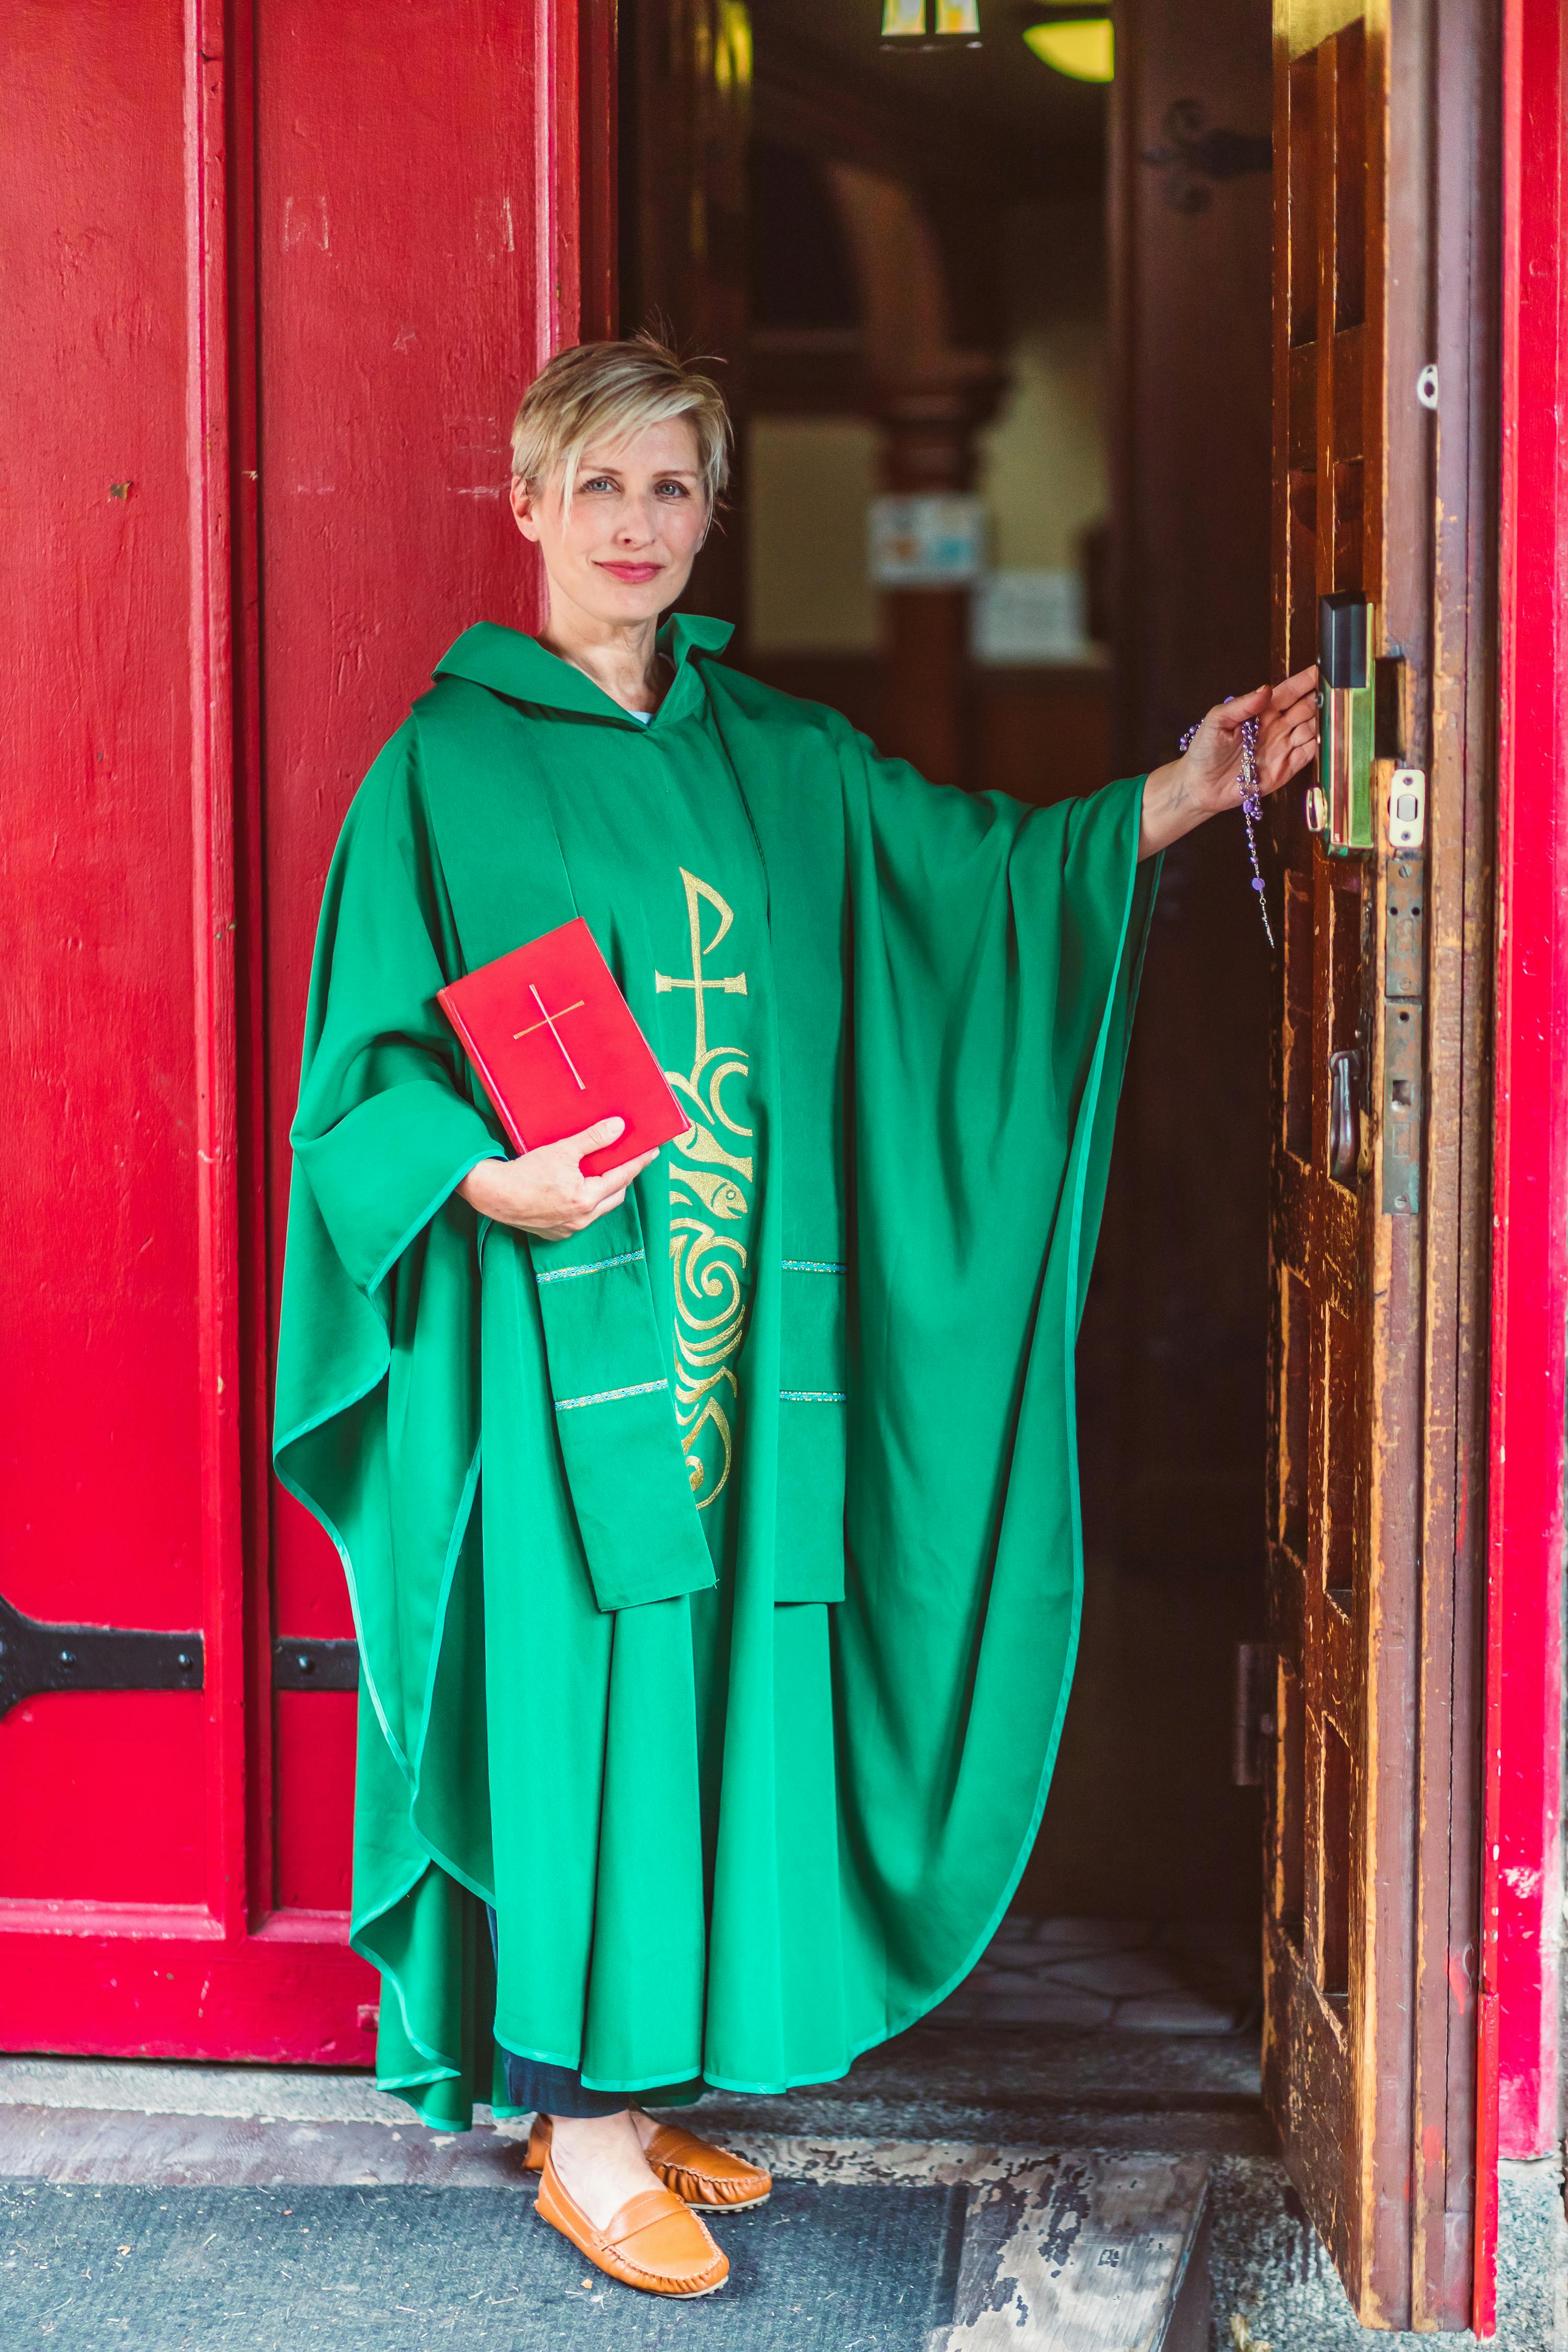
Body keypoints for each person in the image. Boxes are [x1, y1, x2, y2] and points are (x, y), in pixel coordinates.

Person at [274, 335, 1319, 2300]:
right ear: (526, 506)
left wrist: (1191, 787)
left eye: (673, 488)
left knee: (705, 1703)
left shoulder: (782, 758)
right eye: (600, 487)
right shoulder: (447, 765)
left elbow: (981, 888)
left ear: (708, 511)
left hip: (742, 1331)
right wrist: (483, 1179)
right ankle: (577, 2136)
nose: (638, 526)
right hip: (561, 1330)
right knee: (589, 1704)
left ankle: (626, 2085)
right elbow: (365, 1081)